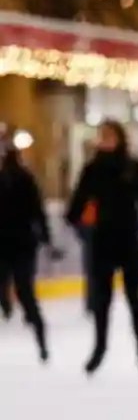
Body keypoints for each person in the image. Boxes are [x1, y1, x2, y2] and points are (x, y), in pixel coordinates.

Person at [66, 119, 138, 377]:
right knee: (101, 302)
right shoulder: (92, 169)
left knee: (134, 300)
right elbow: (76, 203)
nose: (105, 140)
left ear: (119, 138)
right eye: (102, 136)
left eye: (109, 135)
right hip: (102, 242)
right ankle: (99, 349)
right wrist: (79, 227)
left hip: (128, 241)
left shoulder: (132, 167)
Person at [0, 134, 52, 362]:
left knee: (24, 291)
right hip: (16, 243)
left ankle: (40, 339)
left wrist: (45, 237)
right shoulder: (25, 178)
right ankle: (12, 310)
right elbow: (38, 212)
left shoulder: (22, 179)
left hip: (18, 244)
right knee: (21, 291)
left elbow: (37, 211)